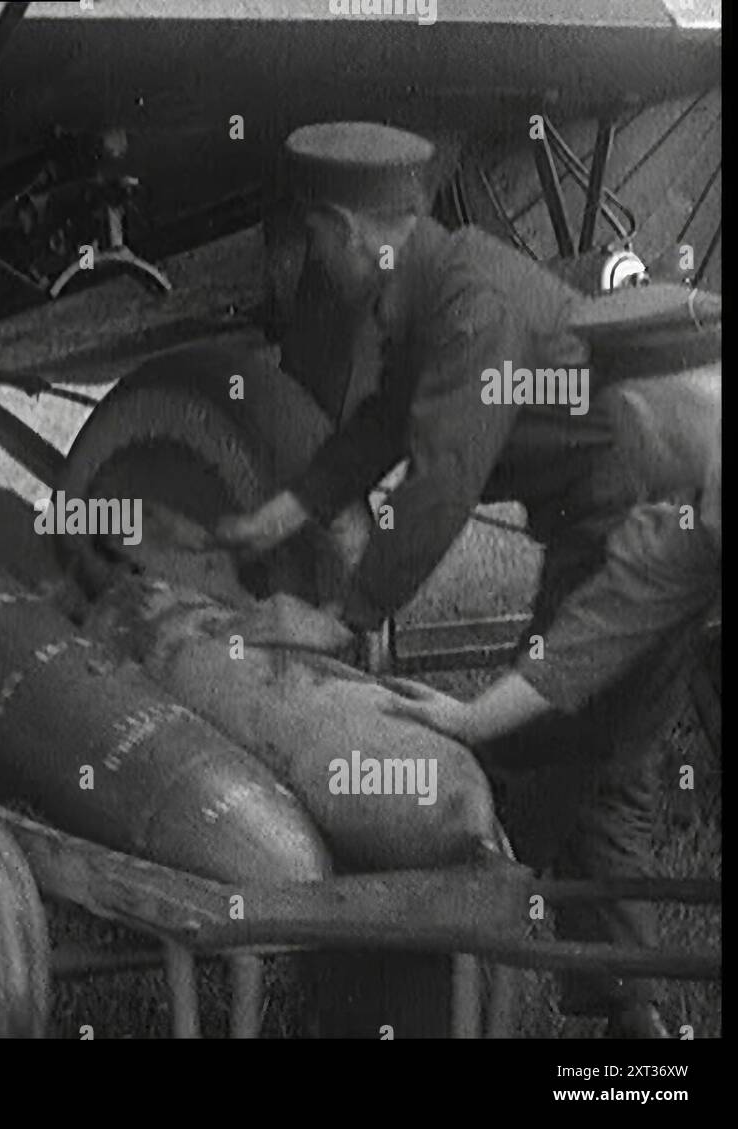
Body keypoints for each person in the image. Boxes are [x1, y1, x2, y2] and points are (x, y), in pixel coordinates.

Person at [215, 120, 719, 1038]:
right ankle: (629, 1018)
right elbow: (383, 429)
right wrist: (280, 513)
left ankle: (446, 959)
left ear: (353, 231)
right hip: (614, 526)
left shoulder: (470, 307)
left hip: (605, 514)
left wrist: (349, 613)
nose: (312, 263)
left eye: (315, 240)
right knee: (598, 754)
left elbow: (443, 479)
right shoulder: (436, 286)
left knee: (554, 761)